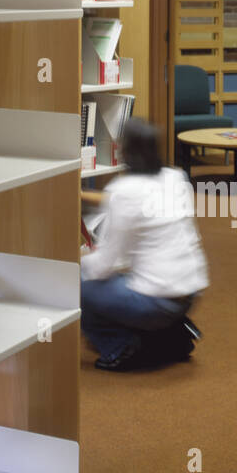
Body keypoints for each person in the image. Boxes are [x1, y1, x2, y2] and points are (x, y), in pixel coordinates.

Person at [80, 117, 209, 371]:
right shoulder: (175, 177)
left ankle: (119, 348)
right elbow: (135, 202)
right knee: (126, 276)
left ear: (124, 150)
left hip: (157, 301)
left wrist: (78, 258)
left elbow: (104, 266)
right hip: (190, 293)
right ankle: (173, 336)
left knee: (80, 284)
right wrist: (82, 194)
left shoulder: (125, 190)